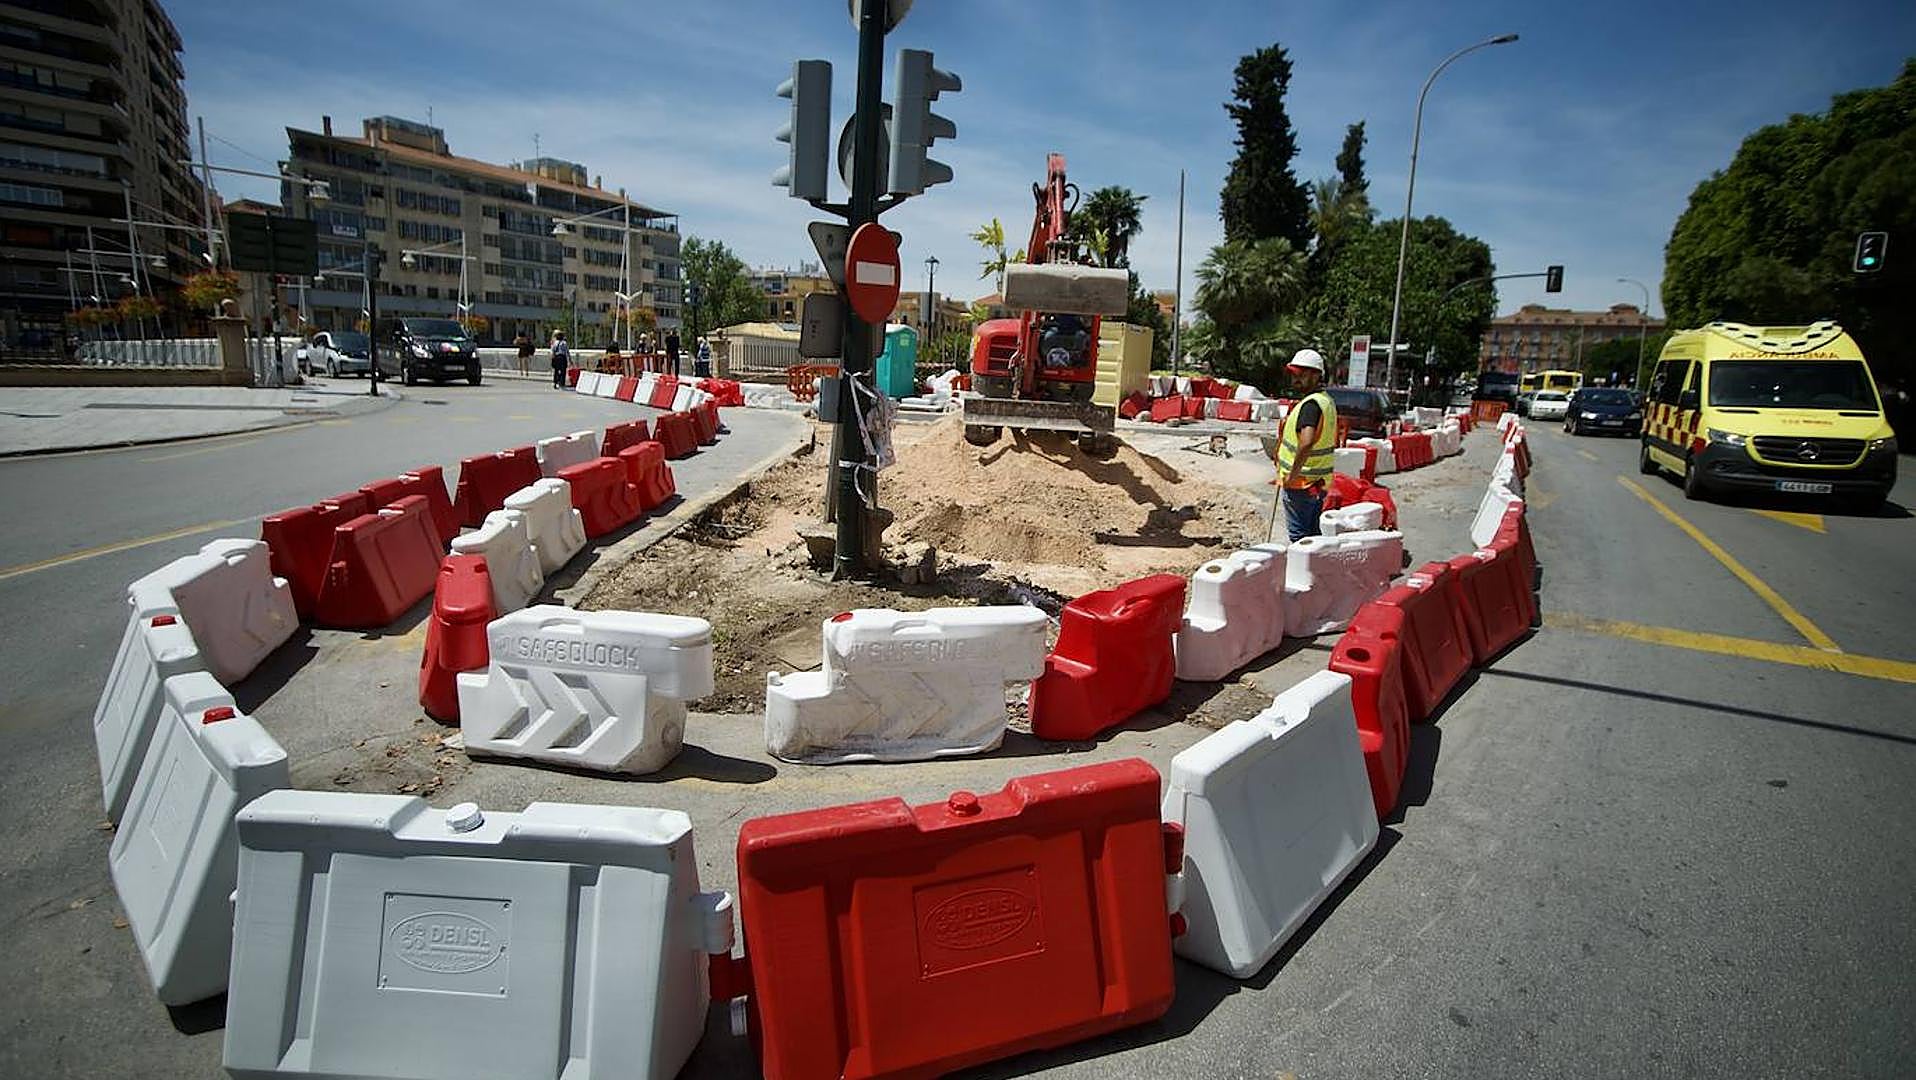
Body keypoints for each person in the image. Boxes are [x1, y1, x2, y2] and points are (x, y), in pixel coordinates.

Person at [1274, 348, 1339, 542]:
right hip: (1317, 483)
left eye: (1301, 374)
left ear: (1316, 375)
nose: (1296, 379)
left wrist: (1292, 474)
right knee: (1312, 538)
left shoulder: (1310, 405)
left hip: (1300, 484)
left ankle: (1303, 572)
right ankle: (1318, 571)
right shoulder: (1326, 401)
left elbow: (1307, 441)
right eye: (1294, 374)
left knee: (1300, 539)